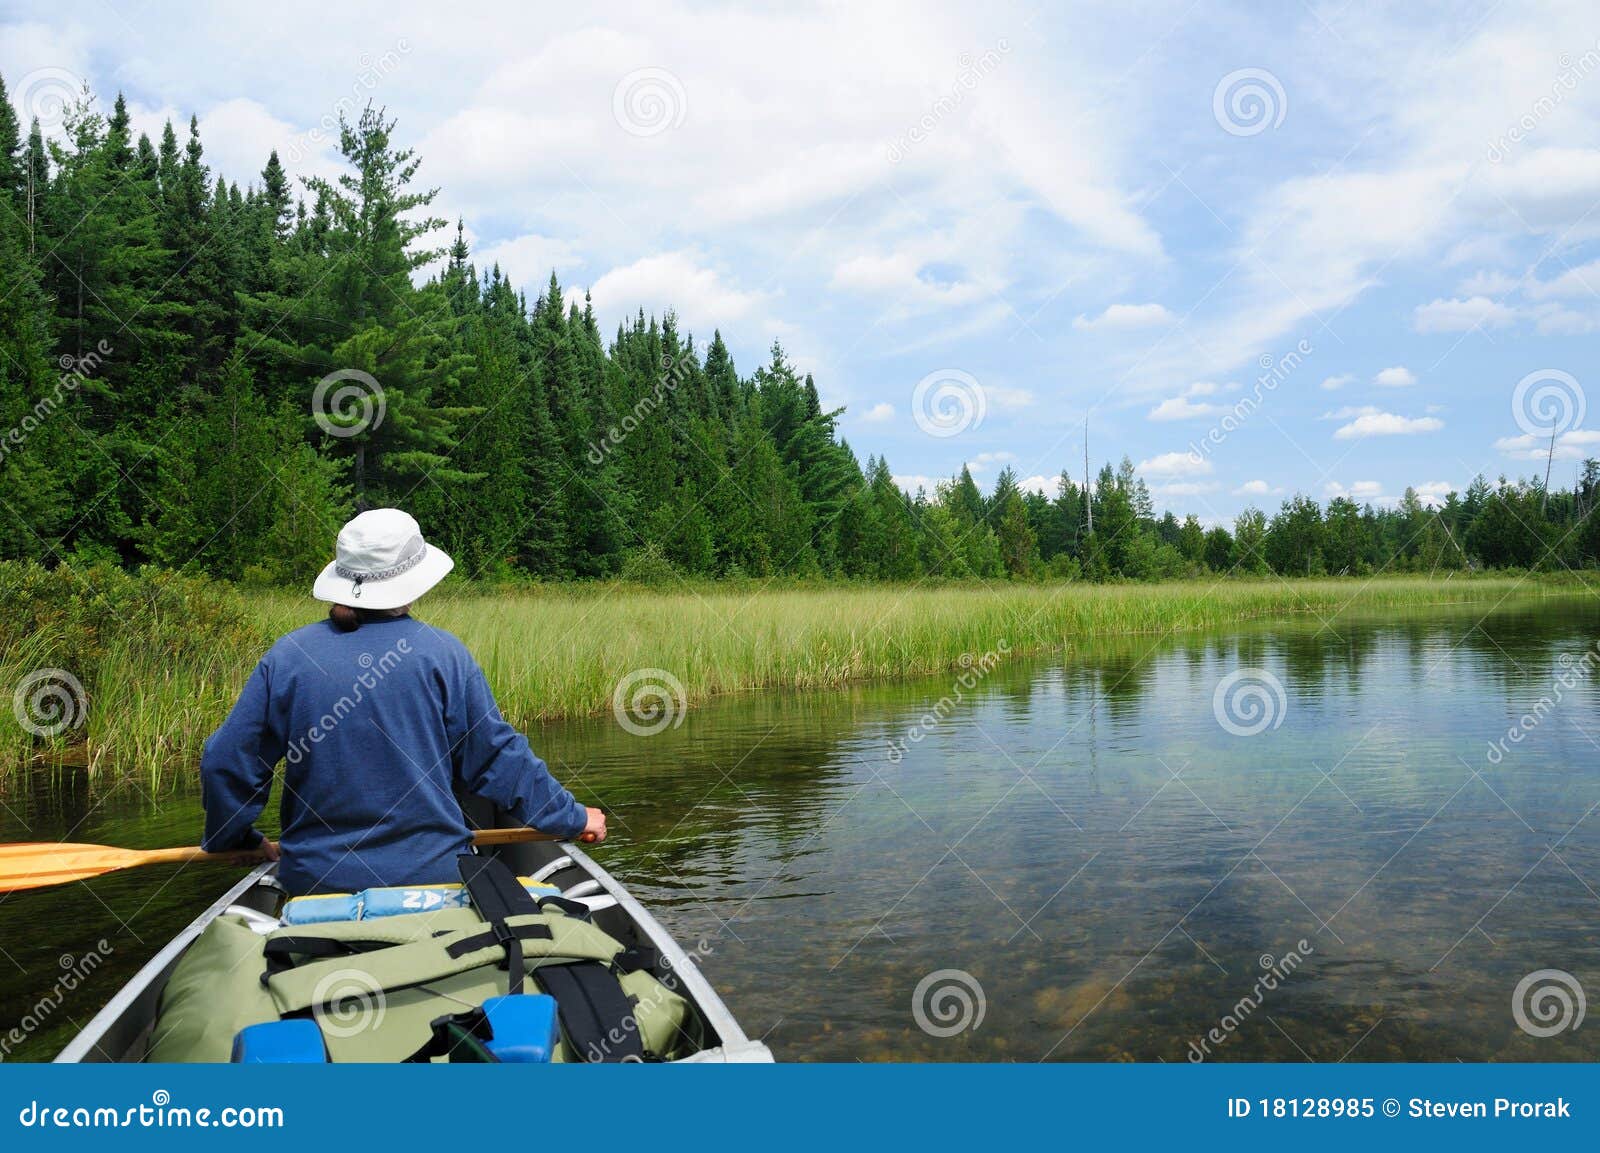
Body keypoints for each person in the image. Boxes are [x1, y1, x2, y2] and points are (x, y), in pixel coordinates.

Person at [200, 508, 604, 895]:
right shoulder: (443, 654)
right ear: (413, 581)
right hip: (434, 877)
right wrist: (571, 815)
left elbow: (226, 760)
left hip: (317, 882)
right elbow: (497, 758)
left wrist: (231, 836)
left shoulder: (289, 656)